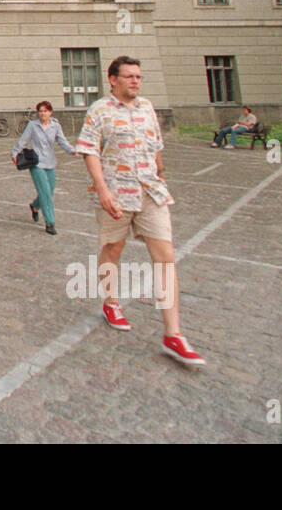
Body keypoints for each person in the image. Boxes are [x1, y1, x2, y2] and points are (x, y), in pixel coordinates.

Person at [74, 56, 205, 367]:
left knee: (165, 256)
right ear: (113, 80)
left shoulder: (147, 108)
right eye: (130, 76)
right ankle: (111, 302)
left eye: (139, 77)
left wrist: (161, 174)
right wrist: (102, 189)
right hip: (116, 196)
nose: (136, 81)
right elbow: (89, 150)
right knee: (112, 251)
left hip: (150, 193)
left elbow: (156, 145)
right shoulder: (99, 110)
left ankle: (173, 333)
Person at [10, 100, 76, 235]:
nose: (42, 113)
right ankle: (50, 222)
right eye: (40, 111)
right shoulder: (32, 125)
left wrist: (72, 150)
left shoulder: (56, 126)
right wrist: (15, 153)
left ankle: (35, 206)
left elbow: (62, 141)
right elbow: (23, 140)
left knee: (49, 192)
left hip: (51, 162)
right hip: (36, 162)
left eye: (45, 111)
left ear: (50, 112)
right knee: (45, 192)